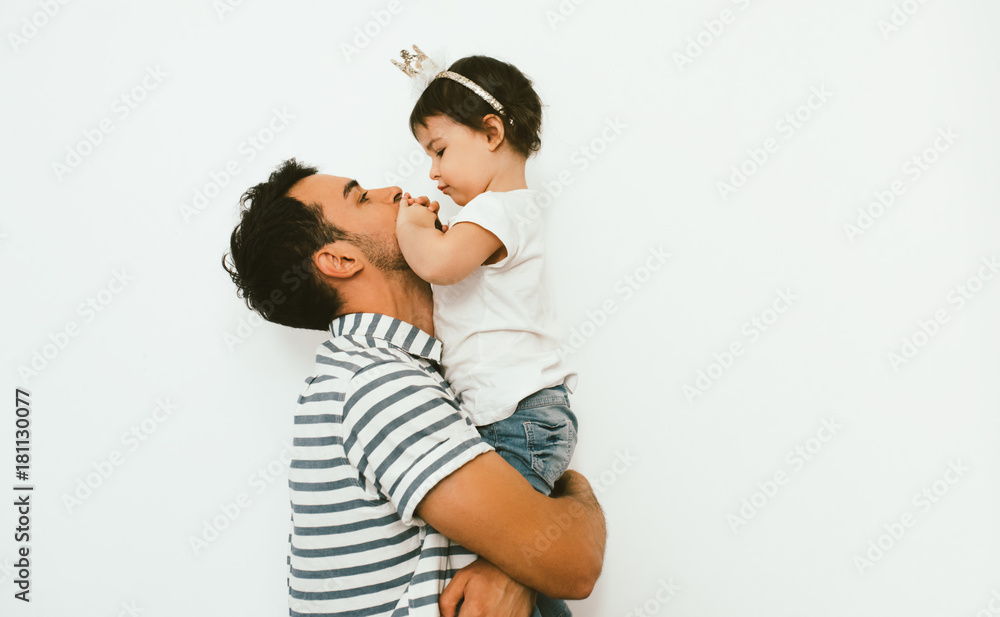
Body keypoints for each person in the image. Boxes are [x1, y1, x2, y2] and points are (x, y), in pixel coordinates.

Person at [221, 159, 605, 617]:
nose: (393, 191)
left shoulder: (392, 375)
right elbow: (576, 565)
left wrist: (515, 561)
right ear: (341, 260)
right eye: (361, 197)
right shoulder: (379, 386)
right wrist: (550, 522)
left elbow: (548, 554)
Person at [395, 55, 580, 617]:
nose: (431, 171)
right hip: (520, 415)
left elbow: (439, 265)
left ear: (492, 132)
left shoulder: (498, 211)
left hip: (519, 418)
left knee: (505, 568)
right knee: (522, 569)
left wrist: (411, 226)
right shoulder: (501, 215)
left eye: (440, 149)